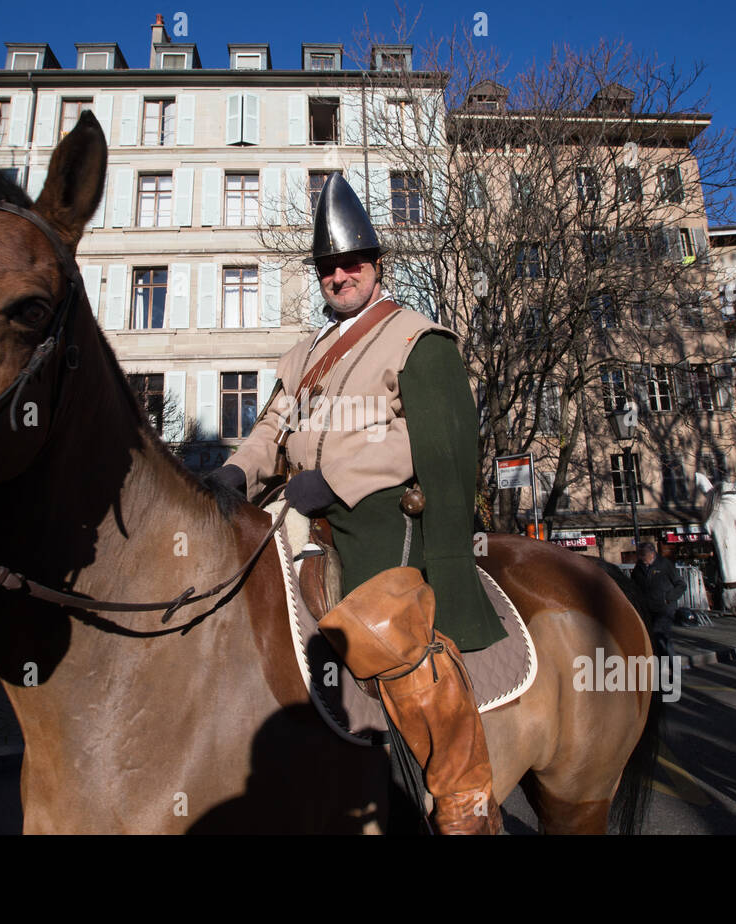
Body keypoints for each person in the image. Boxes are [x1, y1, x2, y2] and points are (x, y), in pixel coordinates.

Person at [209, 173, 506, 834]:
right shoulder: (300, 354)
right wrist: (233, 474)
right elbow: (270, 431)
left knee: (387, 630)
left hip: (380, 515)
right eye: (327, 268)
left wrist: (336, 475)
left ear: (376, 267)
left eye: (351, 264)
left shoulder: (416, 338)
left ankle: (463, 799)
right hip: (296, 508)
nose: (339, 275)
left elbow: (427, 437)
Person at [630, 542, 682, 658]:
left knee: (660, 636)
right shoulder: (639, 567)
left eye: (644, 556)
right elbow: (633, 585)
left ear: (652, 554)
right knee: (653, 641)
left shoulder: (664, 565)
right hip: (648, 609)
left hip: (664, 609)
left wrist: (668, 598)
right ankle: (661, 672)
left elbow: (681, 584)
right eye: (640, 556)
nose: (642, 559)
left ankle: (676, 672)